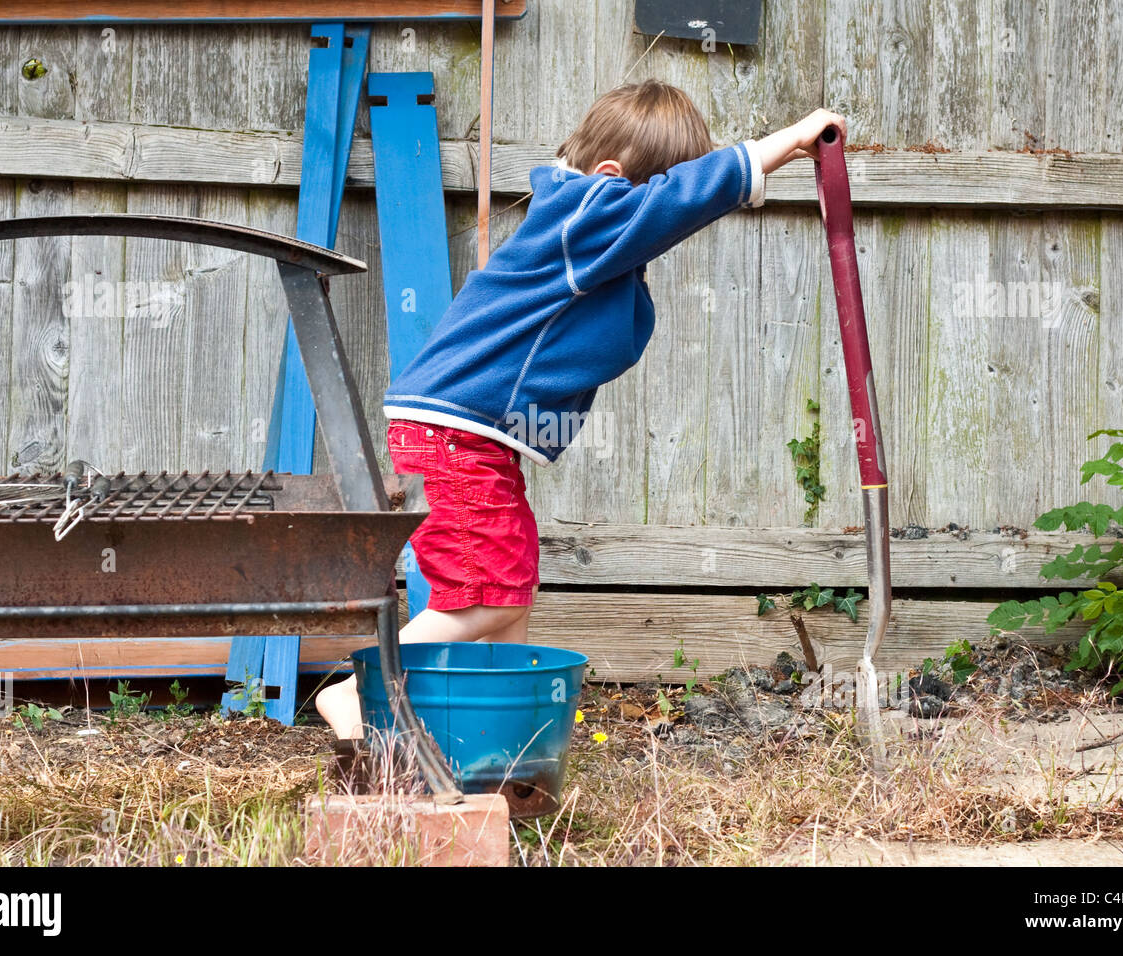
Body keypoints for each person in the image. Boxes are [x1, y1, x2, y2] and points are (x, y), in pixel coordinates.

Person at [316, 78, 847, 741]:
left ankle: (496, 737)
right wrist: (783, 144)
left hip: (466, 437)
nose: (659, 226)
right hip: (455, 436)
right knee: (483, 595)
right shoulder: (583, 213)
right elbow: (678, 201)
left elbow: (665, 212)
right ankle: (357, 697)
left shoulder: (585, 235)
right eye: (648, 200)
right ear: (610, 178)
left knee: (509, 589)